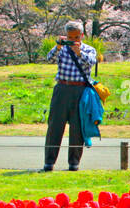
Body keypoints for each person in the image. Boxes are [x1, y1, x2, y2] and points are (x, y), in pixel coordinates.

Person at [42, 20, 98, 171]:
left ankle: (74, 163)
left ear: (82, 35)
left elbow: (92, 62)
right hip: (62, 88)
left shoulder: (89, 49)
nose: (73, 40)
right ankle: (49, 162)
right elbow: (49, 59)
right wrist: (58, 46)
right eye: (70, 37)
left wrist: (79, 52)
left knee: (77, 128)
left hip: (80, 90)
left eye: (76, 37)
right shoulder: (62, 48)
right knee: (55, 126)